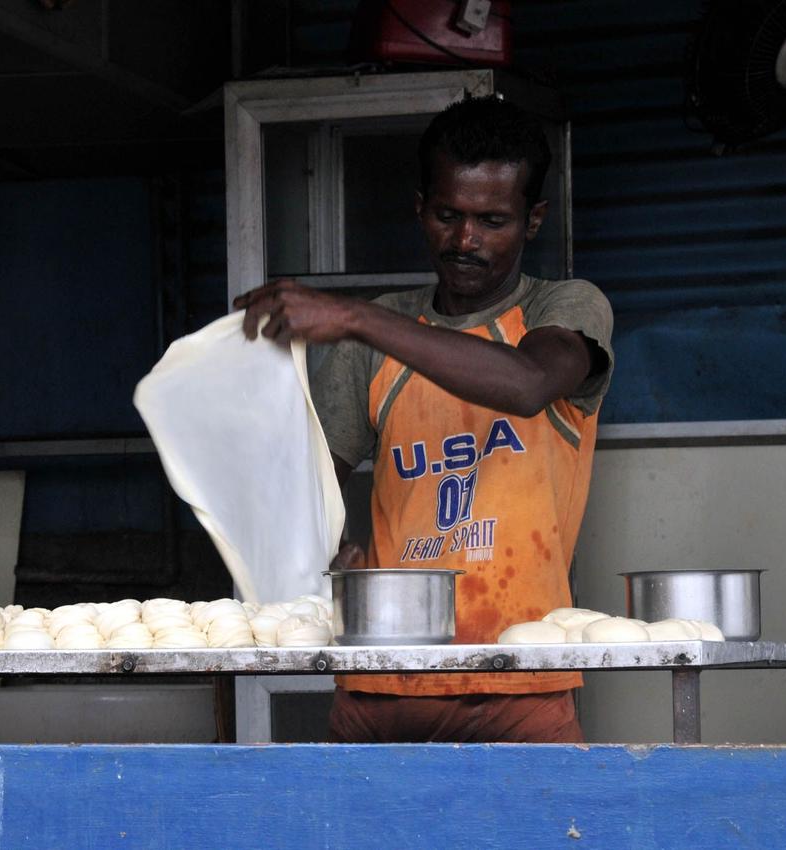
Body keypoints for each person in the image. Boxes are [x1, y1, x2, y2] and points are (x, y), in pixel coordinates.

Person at [233, 95, 613, 743]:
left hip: (521, 679)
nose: (465, 241)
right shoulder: (373, 340)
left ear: (534, 219)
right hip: (383, 678)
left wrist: (356, 316)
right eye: (447, 216)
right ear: (419, 209)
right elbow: (302, 487)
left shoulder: (565, 307)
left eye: (492, 220)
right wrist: (329, 548)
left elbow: (525, 386)